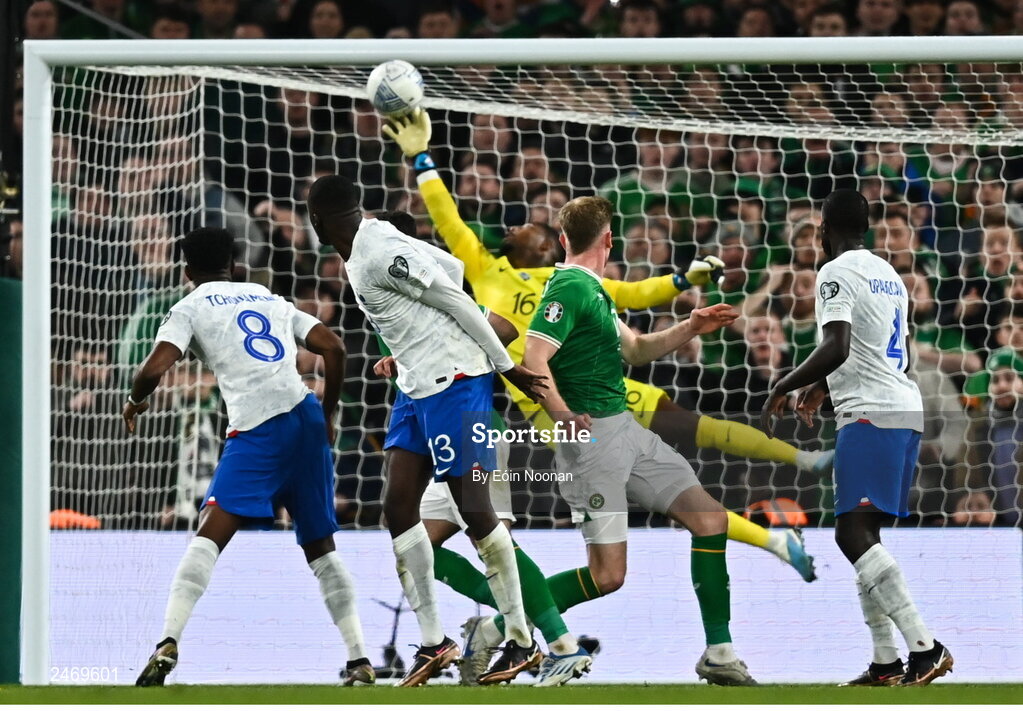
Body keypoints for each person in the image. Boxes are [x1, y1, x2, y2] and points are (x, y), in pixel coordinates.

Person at [382, 108, 822, 584]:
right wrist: (422, 158)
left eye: (533, 226)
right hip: (554, 409)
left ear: (554, 244)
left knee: (700, 432)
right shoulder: (488, 270)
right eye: (517, 227)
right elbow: (447, 219)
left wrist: (681, 280)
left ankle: (796, 473)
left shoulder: (573, 282)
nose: (518, 228)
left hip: (607, 392)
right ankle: (521, 622)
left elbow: (633, 296)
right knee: (619, 540)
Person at [306, 175, 547, 687]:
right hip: (417, 384)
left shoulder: (377, 253)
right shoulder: (368, 245)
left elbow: (457, 298)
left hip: (456, 381)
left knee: (475, 509)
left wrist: (507, 367)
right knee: (396, 508)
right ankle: (436, 644)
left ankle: (524, 642)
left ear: (317, 221)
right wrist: (412, 340)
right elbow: (454, 268)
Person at [522, 195, 755, 686]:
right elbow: (533, 357)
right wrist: (560, 414)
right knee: (608, 577)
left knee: (710, 520)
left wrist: (690, 325)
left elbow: (638, 349)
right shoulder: (568, 287)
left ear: (565, 238)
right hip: (591, 444)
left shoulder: (595, 290)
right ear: (608, 240)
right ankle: (505, 624)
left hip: (626, 430)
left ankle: (719, 652)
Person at [127, 228, 373, 687]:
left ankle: (167, 642)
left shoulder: (190, 306)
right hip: (306, 420)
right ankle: (359, 658)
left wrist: (135, 401)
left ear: (186, 273)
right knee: (321, 547)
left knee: (208, 536)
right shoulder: (265, 296)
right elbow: (334, 347)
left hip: (258, 429)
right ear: (233, 265)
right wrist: (330, 414)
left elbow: (153, 369)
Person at [371, 211, 592, 687]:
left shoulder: (429, 277)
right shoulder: (387, 291)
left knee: (486, 533)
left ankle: (552, 643)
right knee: (413, 535)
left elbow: (503, 327)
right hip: (426, 410)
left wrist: (459, 352)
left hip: (468, 414)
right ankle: (482, 635)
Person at [762, 189, 954, 687]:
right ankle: (886, 662)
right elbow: (897, 355)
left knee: (851, 535)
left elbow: (837, 343)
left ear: (823, 230)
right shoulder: (889, 274)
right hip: (901, 408)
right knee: (862, 532)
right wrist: (824, 388)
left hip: (870, 414)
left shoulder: (835, 272)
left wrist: (787, 382)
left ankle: (925, 648)